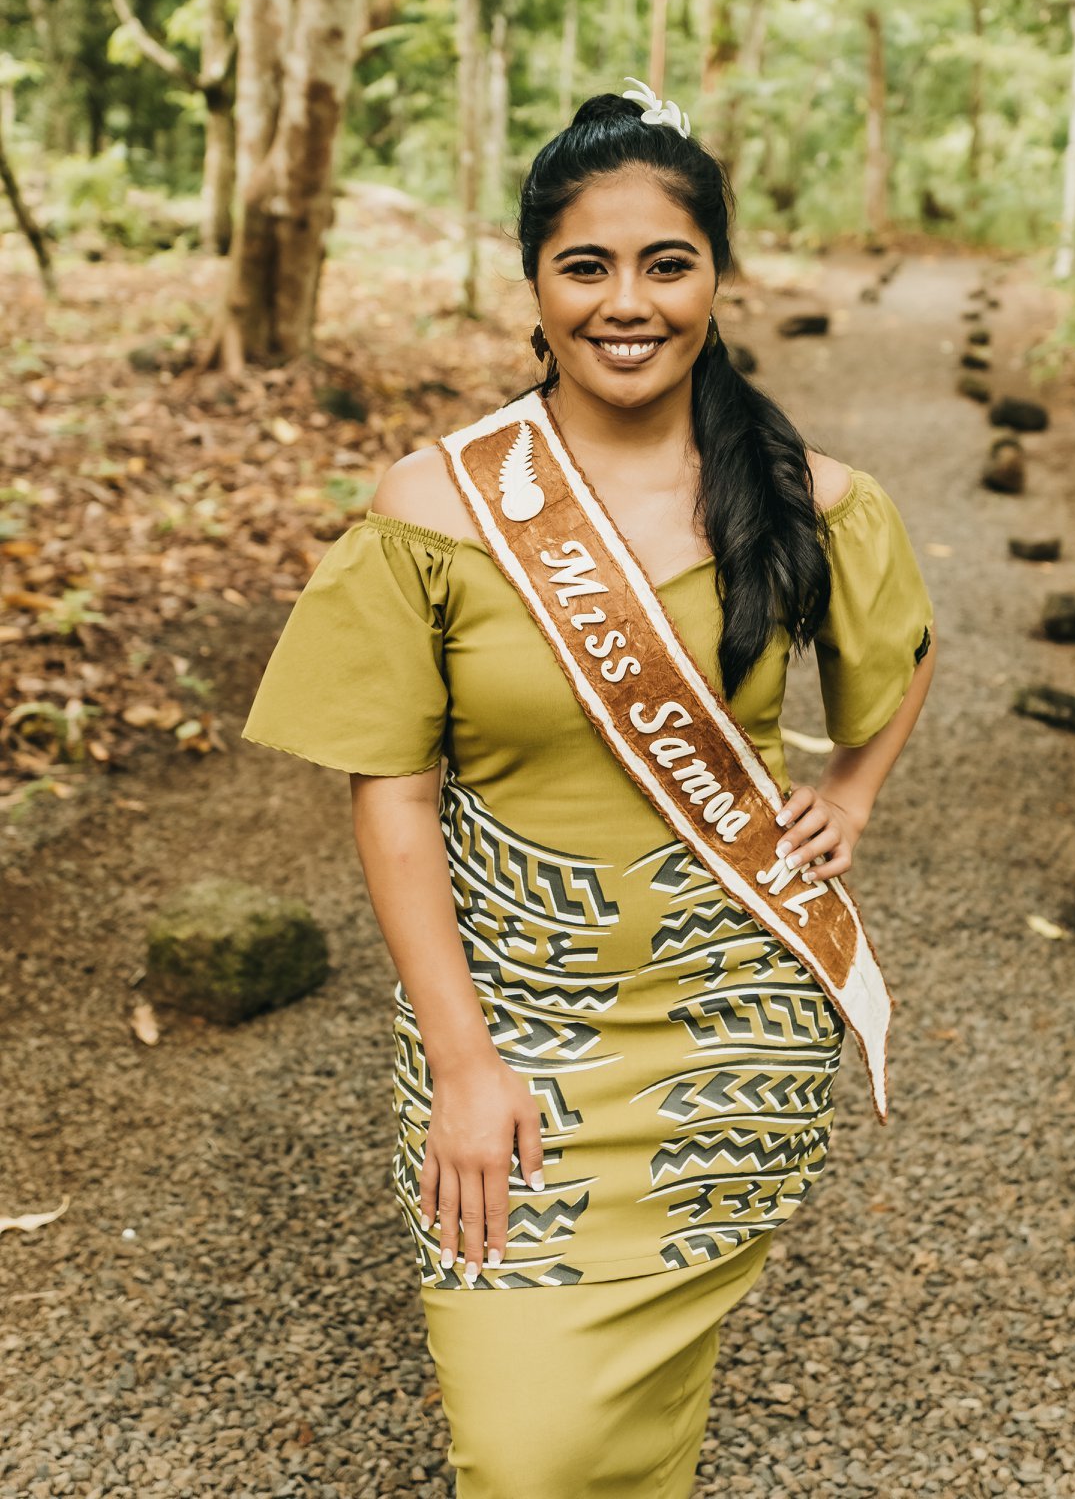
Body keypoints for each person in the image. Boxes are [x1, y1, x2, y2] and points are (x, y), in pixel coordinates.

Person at [241, 81, 937, 1498]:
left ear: (714, 280)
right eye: (587, 265)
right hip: (507, 1028)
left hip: (725, 1032)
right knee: (525, 1442)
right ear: (535, 284)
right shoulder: (436, 507)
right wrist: (459, 1061)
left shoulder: (805, 496)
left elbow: (905, 651)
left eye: (666, 263)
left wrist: (852, 792)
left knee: (630, 1423)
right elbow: (392, 794)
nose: (629, 302)